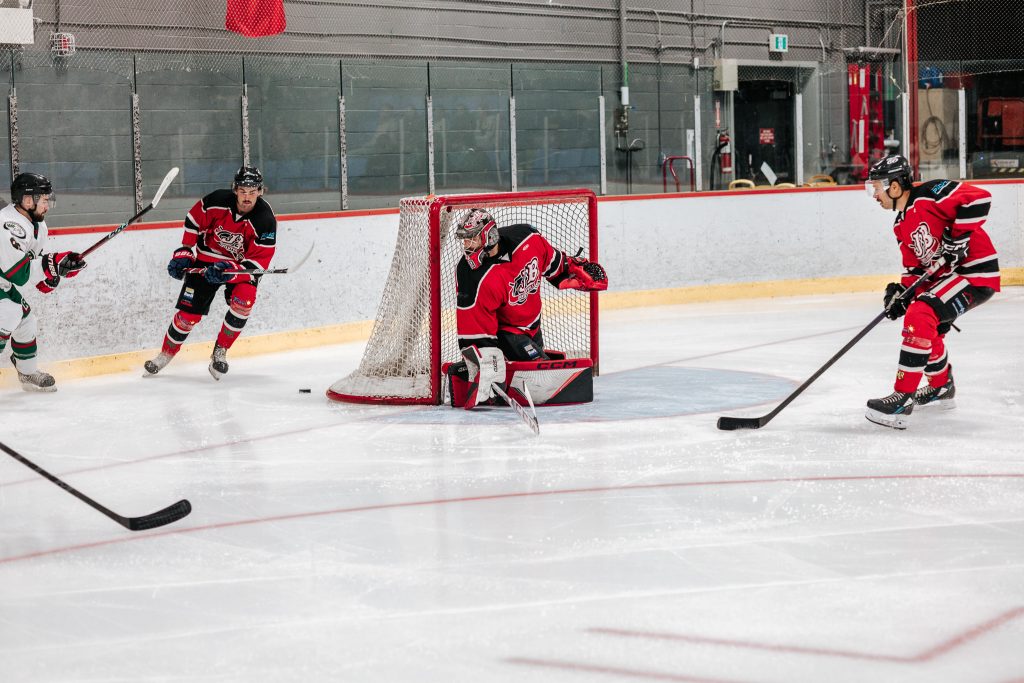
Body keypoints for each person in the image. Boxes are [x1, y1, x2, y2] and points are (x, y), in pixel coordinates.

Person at [864, 154, 1000, 429]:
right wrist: (900, 293)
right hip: (951, 277)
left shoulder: (930, 194)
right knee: (924, 324)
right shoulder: (901, 225)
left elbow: (980, 198)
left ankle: (903, 397)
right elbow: (915, 270)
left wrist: (958, 237)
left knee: (922, 312)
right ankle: (941, 387)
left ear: (894, 186)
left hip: (974, 274)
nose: (874, 195)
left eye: (877, 187)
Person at [454, 208, 607, 408]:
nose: (466, 246)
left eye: (471, 239)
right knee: (543, 378)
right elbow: (473, 327)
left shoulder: (527, 238)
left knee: (539, 372)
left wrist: (573, 271)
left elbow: (553, 264)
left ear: (489, 236)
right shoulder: (470, 274)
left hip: (533, 325)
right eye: (464, 240)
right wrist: (488, 363)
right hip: (507, 331)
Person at [144, 166, 276, 380]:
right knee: (188, 316)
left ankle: (220, 352)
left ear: (260, 191)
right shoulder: (216, 200)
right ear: (235, 189)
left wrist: (230, 272)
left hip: (239, 267)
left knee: (244, 301)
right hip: (206, 259)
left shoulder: (265, 220)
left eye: (252, 192)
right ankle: (165, 354)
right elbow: (193, 221)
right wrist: (185, 250)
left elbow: (259, 261)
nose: (247, 197)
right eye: (243, 191)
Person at [0, 172, 87, 391]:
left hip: (3, 282)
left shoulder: (39, 226)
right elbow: (19, 274)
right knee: (9, 312)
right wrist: (54, 263)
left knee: (26, 321)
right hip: (5, 279)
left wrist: (56, 273)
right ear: (28, 200)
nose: (47, 205)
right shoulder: (7, 225)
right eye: (44, 200)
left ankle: (27, 373)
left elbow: (34, 264)